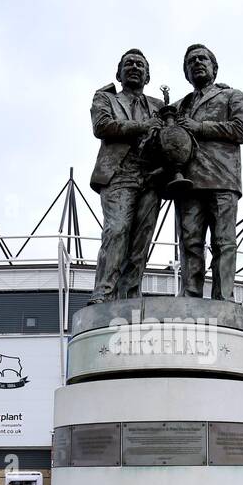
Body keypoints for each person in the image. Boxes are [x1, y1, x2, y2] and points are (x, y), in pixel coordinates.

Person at [88, 48, 164, 303]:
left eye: (140, 65)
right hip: (119, 174)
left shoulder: (159, 106)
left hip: (151, 178)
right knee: (117, 230)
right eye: (129, 64)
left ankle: (130, 295)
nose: (134, 67)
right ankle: (104, 293)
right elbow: (103, 126)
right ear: (119, 74)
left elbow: (179, 128)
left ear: (148, 76)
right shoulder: (105, 98)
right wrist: (144, 127)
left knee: (141, 240)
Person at [176, 44, 243, 301]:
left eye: (202, 59)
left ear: (214, 67)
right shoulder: (179, 106)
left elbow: (242, 131)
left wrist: (200, 127)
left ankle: (224, 298)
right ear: (186, 73)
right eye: (191, 61)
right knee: (189, 243)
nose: (197, 63)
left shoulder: (231, 95)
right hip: (187, 183)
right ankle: (190, 295)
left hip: (222, 179)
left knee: (223, 242)